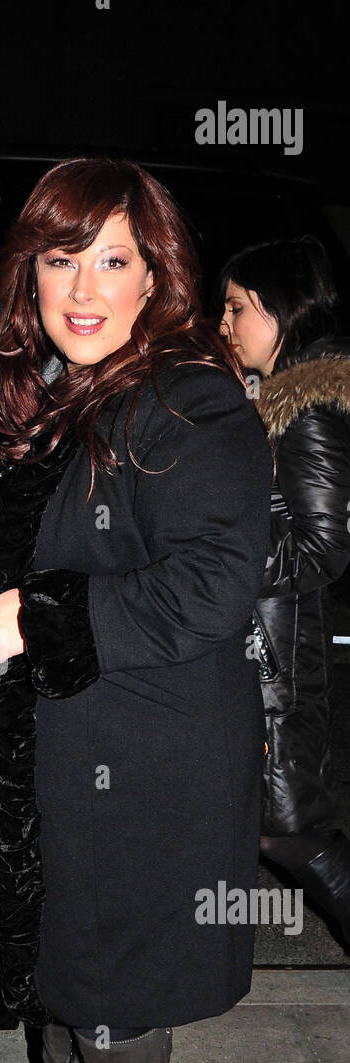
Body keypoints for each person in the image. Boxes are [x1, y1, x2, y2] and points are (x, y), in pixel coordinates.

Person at [0, 157, 273, 1063]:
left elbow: (214, 585)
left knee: (114, 967)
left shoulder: (193, 398)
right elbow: (43, 540)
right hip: (54, 738)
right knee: (53, 938)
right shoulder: (52, 395)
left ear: (156, 279)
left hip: (148, 752)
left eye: (114, 261)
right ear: (29, 273)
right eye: (59, 258)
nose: (83, 287)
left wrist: (41, 618)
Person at [220, 237, 350, 950]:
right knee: (258, 820)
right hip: (260, 644)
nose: (226, 322)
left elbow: (321, 547)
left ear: (281, 307)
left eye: (238, 307)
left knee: (287, 829)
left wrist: (213, 549)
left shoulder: (306, 404)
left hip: (276, 657)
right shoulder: (275, 396)